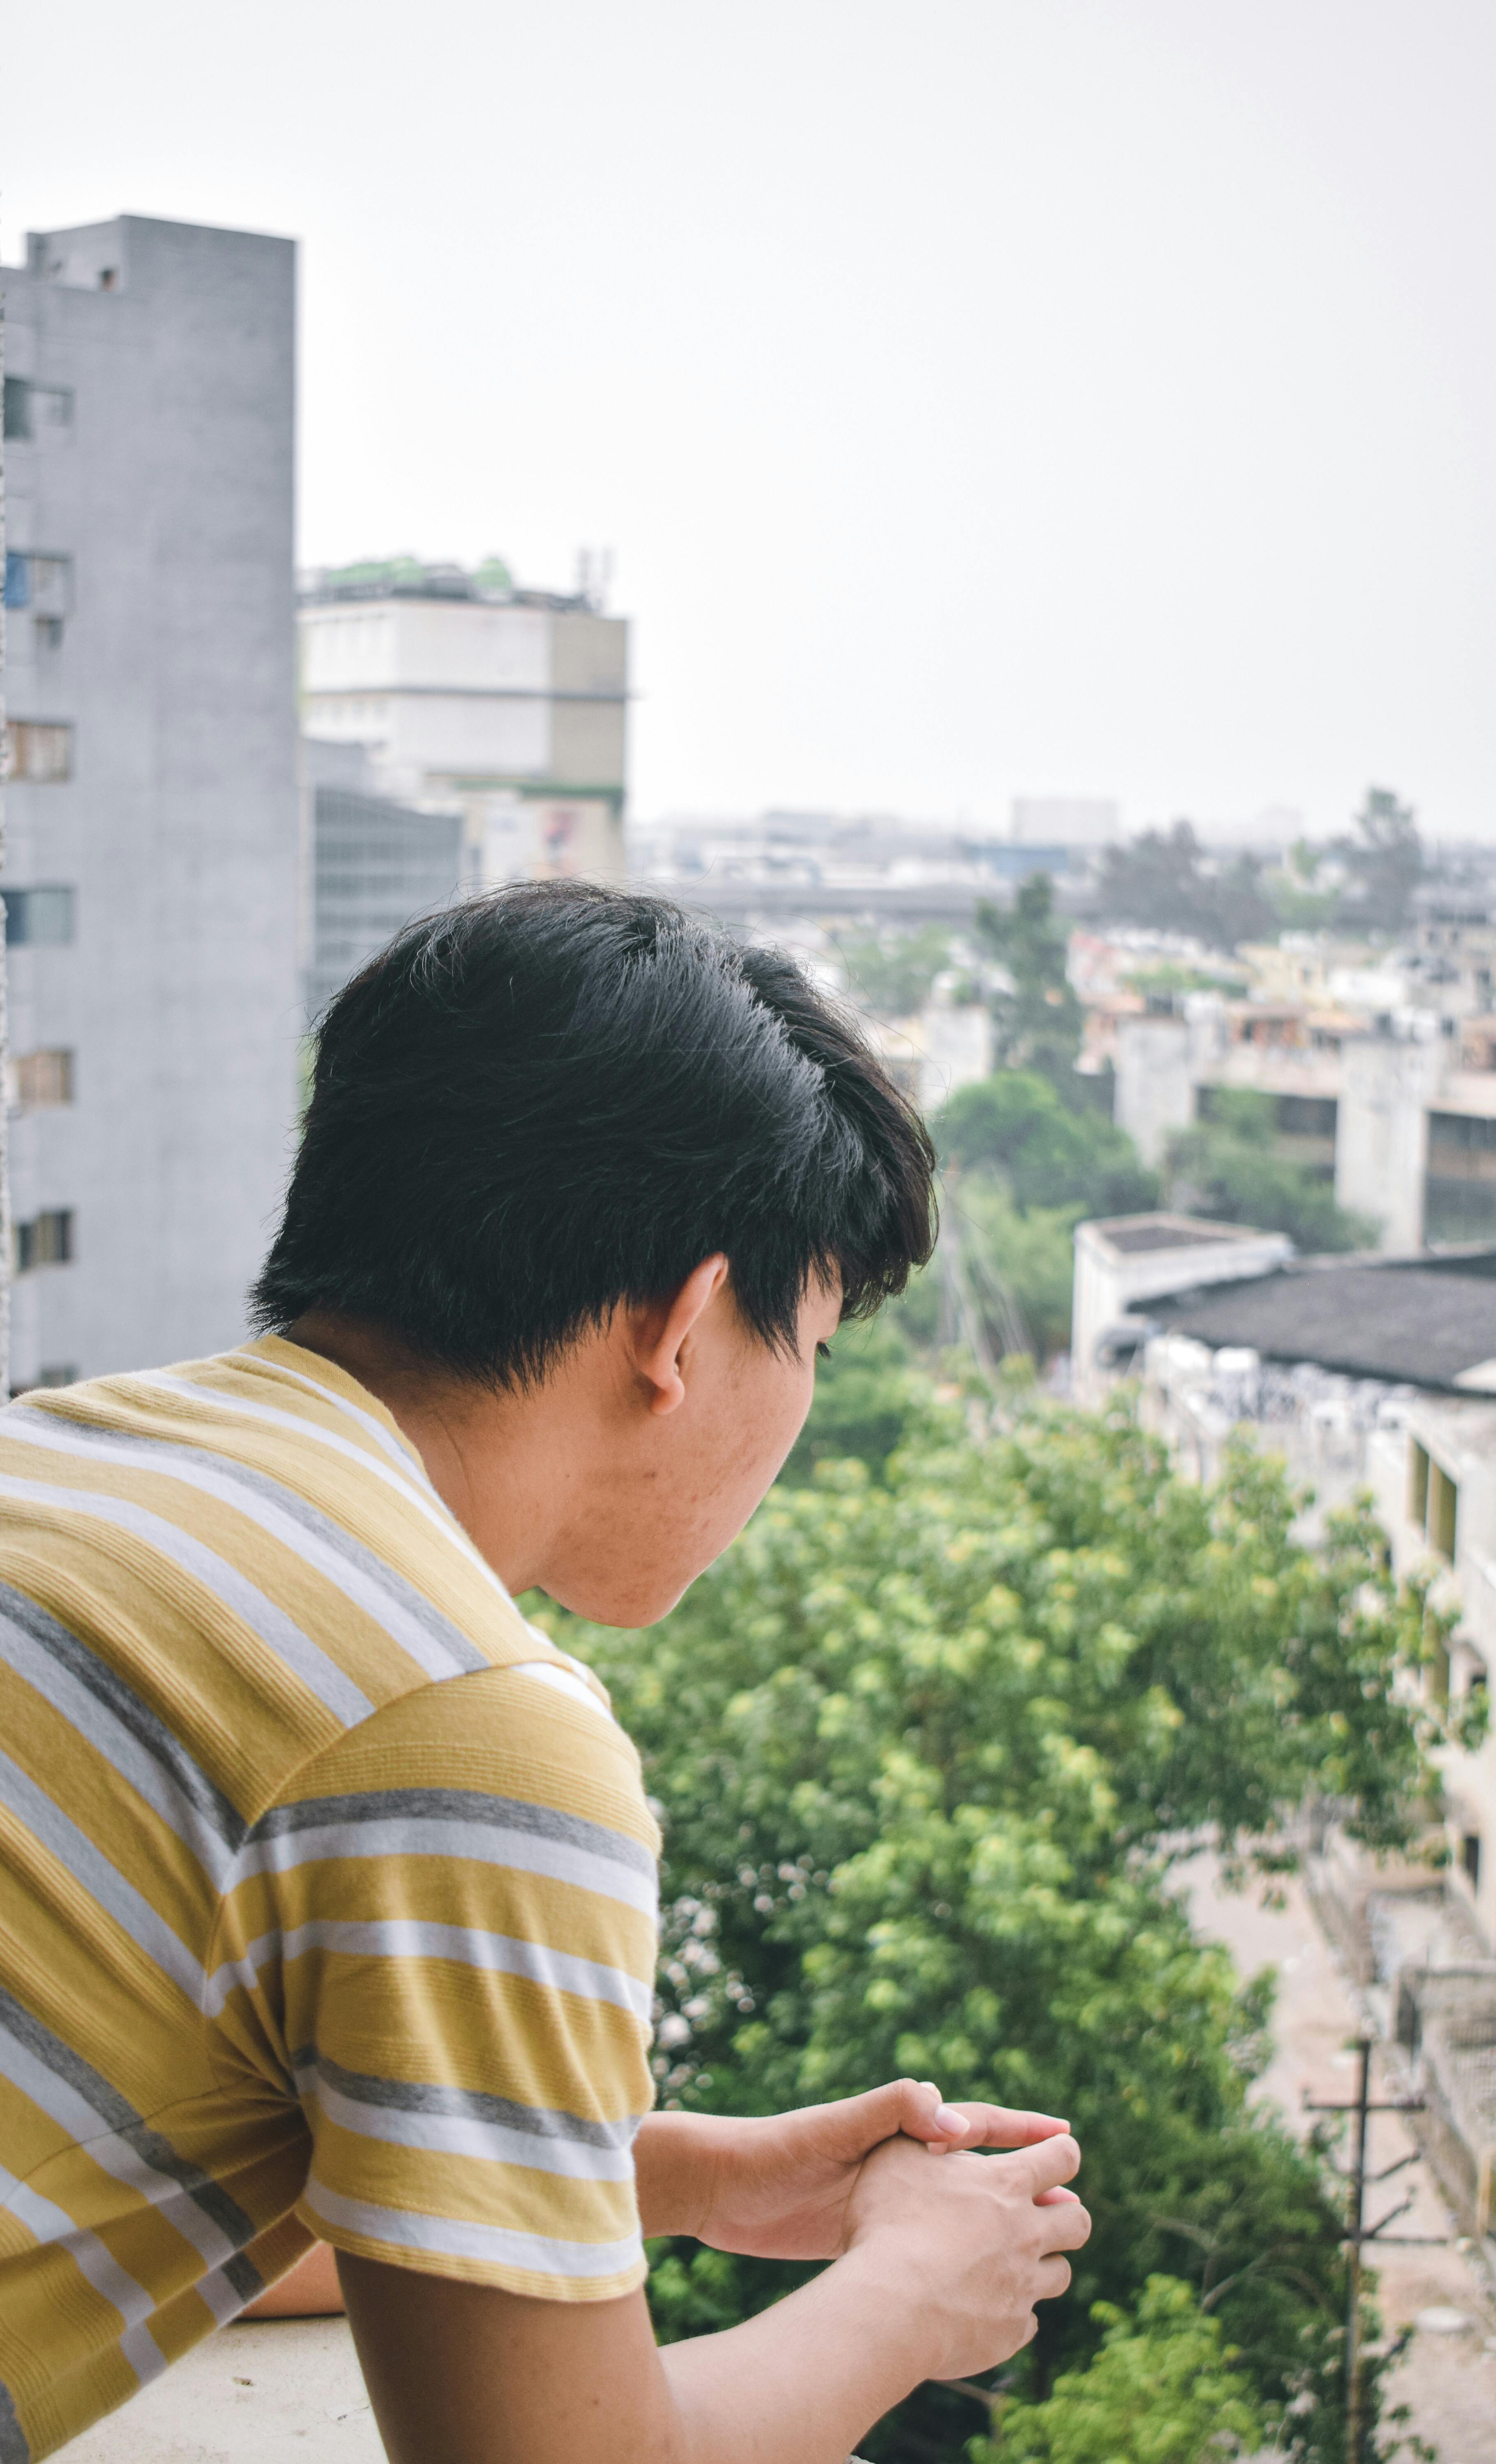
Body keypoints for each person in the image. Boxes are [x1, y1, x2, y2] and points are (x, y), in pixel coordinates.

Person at [0, 883, 1089, 2464]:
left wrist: (667, 2174)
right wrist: (914, 2293)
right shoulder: (458, 1720)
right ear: (688, 1324)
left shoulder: (63, 1456)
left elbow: (121, 2199)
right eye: (814, 1341)